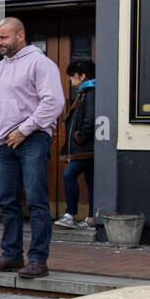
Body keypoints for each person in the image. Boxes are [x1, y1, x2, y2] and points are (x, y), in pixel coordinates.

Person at [0, 17, 65, 279]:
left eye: (4, 37)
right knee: (7, 201)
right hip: (3, 144)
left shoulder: (40, 63)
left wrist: (24, 129)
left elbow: (54, 102)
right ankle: (12, 255)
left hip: (33, 139)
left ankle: (38, 260)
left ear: (20, 35)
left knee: (36, 200)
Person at [56, 58, 97, 230]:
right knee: (90, 180)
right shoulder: (85, 92)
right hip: (87, 148)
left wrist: (79, 137)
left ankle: (70, 215)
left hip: (84, 148)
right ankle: (91, 217)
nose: (70, 80)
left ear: (82, 76)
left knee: (69, 175)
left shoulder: (90, 92)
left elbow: (89, 120)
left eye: (72, 76)